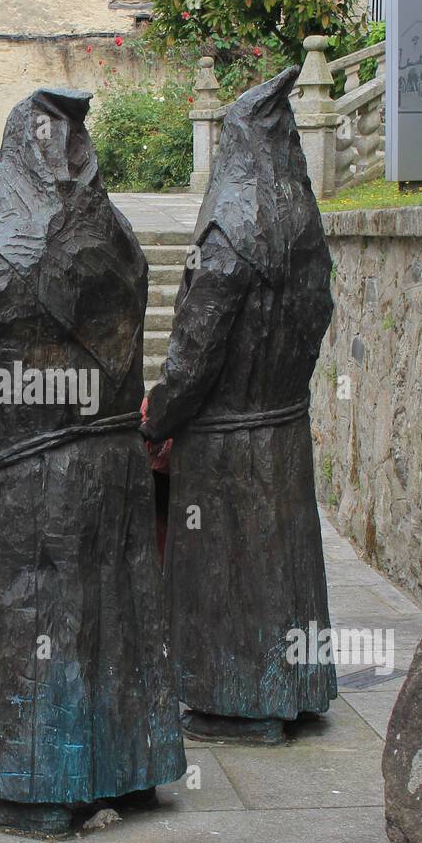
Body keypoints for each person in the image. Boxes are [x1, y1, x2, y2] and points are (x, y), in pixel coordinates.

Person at [0, 88, 185, 836]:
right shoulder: (113, 235)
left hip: (38, 474)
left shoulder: (5, 254)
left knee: (32, 616)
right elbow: (21, 248)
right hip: (113, 459)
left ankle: (40, 786)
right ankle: (132, 764)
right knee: (114, 614)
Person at [142, 67, 336, 745]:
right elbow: (319, 316)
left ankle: (238, 696)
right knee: (284, 563)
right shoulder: (306, 225)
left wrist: (157, 416)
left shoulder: (226, 232)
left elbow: (194, 353)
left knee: (230, 571)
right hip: (284, 426)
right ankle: (297, 690)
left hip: (225, 442)